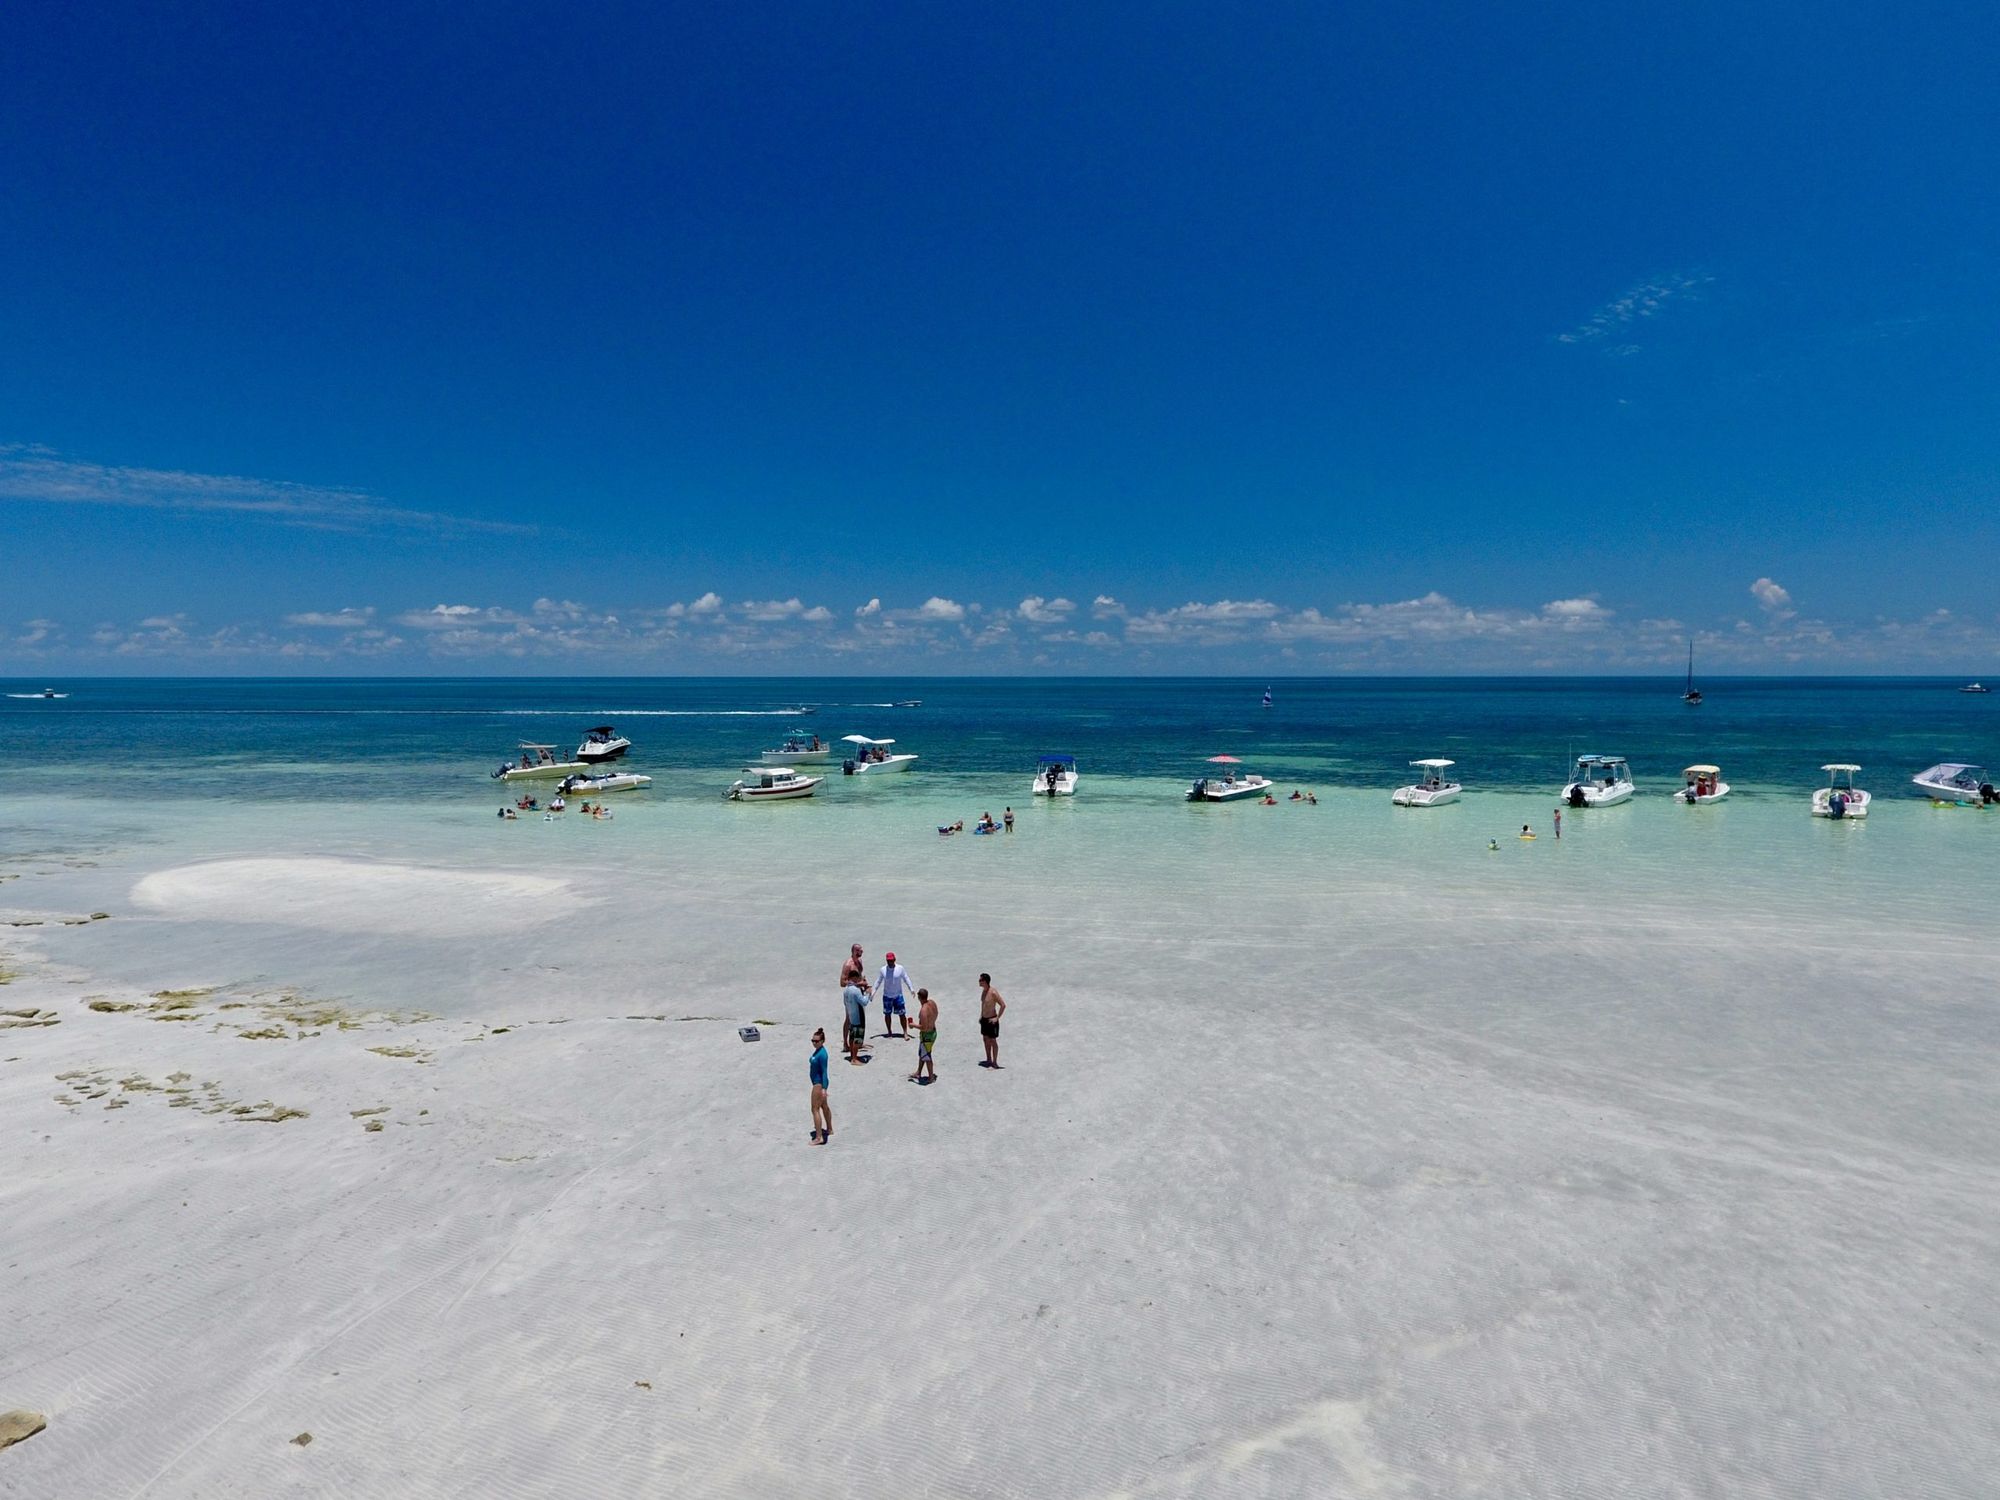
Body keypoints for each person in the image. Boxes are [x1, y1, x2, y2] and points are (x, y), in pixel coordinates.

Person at [878, 951, 913, 1037]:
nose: (890, 962)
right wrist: (873, 992)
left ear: (894, 960)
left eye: (892, 960)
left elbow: (906, 978)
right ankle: (889, 1031)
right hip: (887, 996)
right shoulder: (883, 970)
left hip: (898, 995)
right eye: (888, 961)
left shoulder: (900, 968)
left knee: (902, 1014)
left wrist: (911, 989)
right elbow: (878, 981)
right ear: (886, 961)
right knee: (887, 1014)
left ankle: (905, 1032)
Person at [909, 989, 938, 1083]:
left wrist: (913, 1025)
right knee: (922, 1054)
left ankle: (931, 1077)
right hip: (933, 1032)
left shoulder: (923, 1010)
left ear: (919, 997)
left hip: (927, 1036)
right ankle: (918, 1072)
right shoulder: (932, 1003)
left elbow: (924, 1027)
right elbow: (936, 1013)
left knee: (927, 1056)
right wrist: (931, 1022)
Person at [977, 972, 1006, 1069]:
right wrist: (981, 1016)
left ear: (985, 981)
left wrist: (997, 1018)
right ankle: (988, 1059)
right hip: (984, 1020)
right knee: (985, 1039)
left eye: (980, 980)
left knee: (993, 1041)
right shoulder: (984, 991)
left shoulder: (993, 992)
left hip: (992, 1020)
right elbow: (983, 1005)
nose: (979, 982)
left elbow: (1003, 1005)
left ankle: (995, 1062)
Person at [809, 1028, 832, 1144]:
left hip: (818, 1084)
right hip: (818, 1083)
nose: (814, 1043)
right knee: (824, 1106)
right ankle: (829, 1128)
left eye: (816, 1041)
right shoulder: (818, 1051)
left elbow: (824, 1072)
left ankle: (819, 1137)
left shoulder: (823, 1054)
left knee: (815, 1109)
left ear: (823, 1041)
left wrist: (824, 1088)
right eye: (812, 1040)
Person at [842, 981, 869, 1064]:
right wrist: (868, 993)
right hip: (858, 1016)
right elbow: (864, 1002)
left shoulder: (846, 990)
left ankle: (852, 1055)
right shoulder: (856, 990)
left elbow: (845, 1003)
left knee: (852, 1036)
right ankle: (854, 1059)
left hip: (851, 1014)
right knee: (858, 1038)